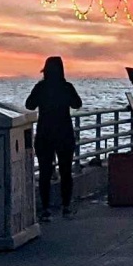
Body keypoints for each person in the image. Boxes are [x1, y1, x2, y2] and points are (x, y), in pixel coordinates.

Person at [24, 56, 83, 219]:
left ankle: (45, 210)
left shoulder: (41, 87)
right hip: (64, 133)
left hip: (45, 133)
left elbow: (29, 105)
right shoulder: (66, 87)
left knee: (44, 172)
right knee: (65, 171)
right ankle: (66, 207)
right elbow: (77, 104)